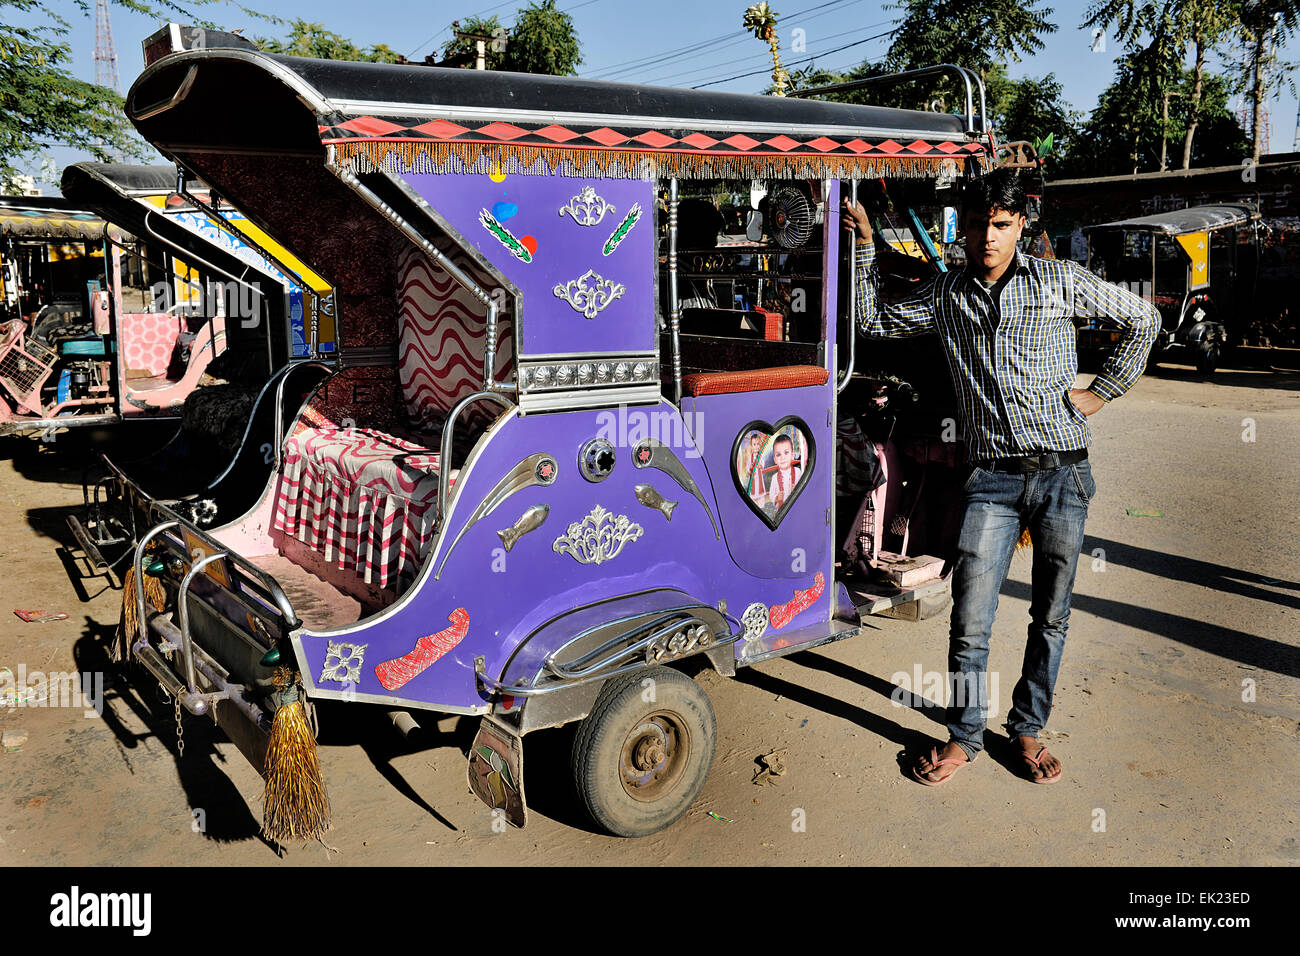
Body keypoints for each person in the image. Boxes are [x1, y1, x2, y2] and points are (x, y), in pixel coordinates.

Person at [842, 168, 1159, 786]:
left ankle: (1028, 728)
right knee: (972, 616)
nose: (988, 237)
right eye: (980, 223)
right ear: (964, 222)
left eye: (1003, 225)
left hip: (1064, 475)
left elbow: (1143, 320)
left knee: (1051, 615)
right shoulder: (947, 293)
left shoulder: (1057, 281)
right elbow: (875, 323)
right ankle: (964, 737)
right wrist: (862, 247)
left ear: (1021, 227)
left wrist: (1103, 391)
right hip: (989, 481)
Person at [765, 433, 801, 512]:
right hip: (781, 513)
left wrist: (797, 489)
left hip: (796, 509)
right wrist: (777, 498)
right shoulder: (775, 477)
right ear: (775, 460)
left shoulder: (798, 472)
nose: (782, 457)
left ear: (792, 455)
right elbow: (771, 495)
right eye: (778, 454)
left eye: (786, 452)